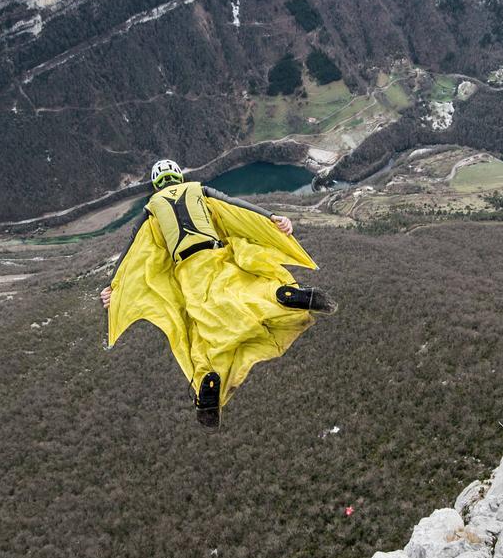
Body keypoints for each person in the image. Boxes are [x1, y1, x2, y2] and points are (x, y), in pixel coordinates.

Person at [100, 159, 336, 428]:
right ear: (178, 177)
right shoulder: (199, 190)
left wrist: (114, 287)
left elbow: (133, 253)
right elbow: (235, 207)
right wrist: (272, 218)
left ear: (156, 184)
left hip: (189, 270)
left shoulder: (151, 210)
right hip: (216, 254)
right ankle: (280, 295)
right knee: (245, 289)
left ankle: (209, 378)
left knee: (201, 327)